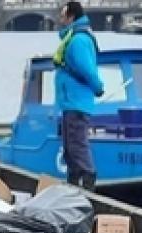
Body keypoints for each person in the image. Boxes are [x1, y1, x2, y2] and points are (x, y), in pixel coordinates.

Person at [53, 1, 104, 191]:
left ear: (71, 16)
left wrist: (98, 87)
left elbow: (88, 70)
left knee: (77, 146)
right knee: (70, 150)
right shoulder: (72, 37)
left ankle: (88, 185)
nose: (60, 19)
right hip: (70, 103)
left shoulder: (78, 40)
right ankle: (72, 187)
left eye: (62, 15)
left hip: (77, 103)